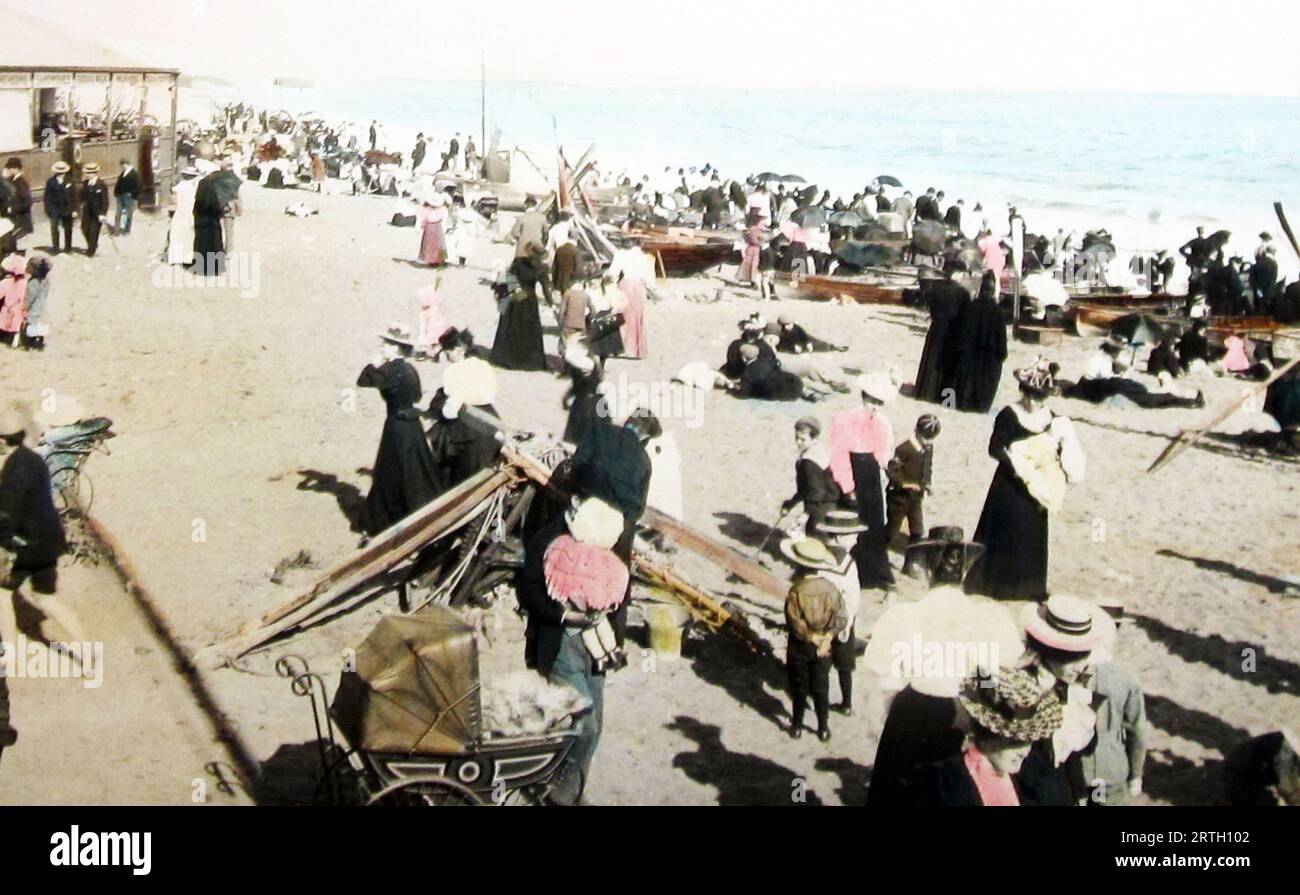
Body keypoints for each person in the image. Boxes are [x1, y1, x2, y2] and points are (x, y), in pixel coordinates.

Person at [517, 494, 626, 804]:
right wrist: (567, 614)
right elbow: (529, 593)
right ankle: (558, 792)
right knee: (584, 724)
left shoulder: (600, 530)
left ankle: (574, 790)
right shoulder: (547, 540)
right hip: (560, 644)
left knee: (596, 724)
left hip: (592, 647)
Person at [965, 361, 1084, 601]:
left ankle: (1027, 587)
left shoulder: (1052, 420)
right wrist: (1018, 467)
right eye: (1028, 395)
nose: (1032, 402)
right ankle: (995, 585)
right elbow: (994, 448)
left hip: (1037, 488)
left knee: (1030, 536)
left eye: (1038, 397)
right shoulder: (1009, 414)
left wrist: (1048, 472)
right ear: (1022, 390)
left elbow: (1061, 453)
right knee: (1005, 531)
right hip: (1008, 484)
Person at [1016, 595, 1120, 805]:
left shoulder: (1076, 691)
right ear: (1051, 652)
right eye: (1073, 658)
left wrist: (1083, 797)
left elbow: (1078, 755)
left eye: (1084, 656)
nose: (1080, 666)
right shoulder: (1022, 687)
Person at [0, 402, 86, 655]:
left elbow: (7, 517)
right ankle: (87, 650)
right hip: (50, 542)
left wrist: (4, 546)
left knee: (2, 595)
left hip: (26, 546)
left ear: (2, 441)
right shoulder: (34, 459)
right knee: (46, 598)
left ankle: (11, 651)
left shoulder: (13, 471)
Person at [917, 667, 1064, 806]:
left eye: (1030, 740)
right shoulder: (942, 782)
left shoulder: (1035, 772)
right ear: (987, 734)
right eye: (1015, 742)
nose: (1025, 752)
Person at [355, 340, 442, 536]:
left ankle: (390, 520)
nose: (382, 347)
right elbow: (417, 397)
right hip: (413, 425)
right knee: (416, 470)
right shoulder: (410, 369)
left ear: (395, 348)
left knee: (391, 472)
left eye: (386, 345)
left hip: (396, 425)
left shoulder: (390, 370)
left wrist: (375, 364)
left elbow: (363, 380)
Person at [828, 372, 898, 590]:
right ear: (863, 397)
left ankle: (873, 573)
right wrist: (848, 486)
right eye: (872, 401)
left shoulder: (882, 422)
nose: (875, 407)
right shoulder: (845, 419)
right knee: (850, 523)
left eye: (879, 403)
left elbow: (883, 452)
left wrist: (890, 468)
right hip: (851, 469)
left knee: (874, 523)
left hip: (870, 474)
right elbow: (838, 454)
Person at [779, 537, 848, 742]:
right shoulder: (831, 588)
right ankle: (823, 728)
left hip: (800, 646)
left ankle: (797, 726)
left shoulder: (796, 590)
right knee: (821, 687)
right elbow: (841, 617)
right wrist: (827, 637)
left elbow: (794, 621)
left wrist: (812, 637)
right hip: (824, 648)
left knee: (799, 686)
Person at [812, 510, 868, 716]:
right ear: (839, 536)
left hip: (820, 619)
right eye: (852, 535)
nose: (856, 538)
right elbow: (853, 596)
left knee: (822, 663)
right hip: (843, 619)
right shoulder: (848, 563)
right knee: (845, 665)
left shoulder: (816, 556)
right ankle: (846, 703)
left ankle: (821, 704)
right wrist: (849, 620)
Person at [425, 354, 501, 491]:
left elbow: (442, 413)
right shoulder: (490, 411)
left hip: (468, 454)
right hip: (485, 457)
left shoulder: (453, 404)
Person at [1062, 338, 1204, 409]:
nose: (1118, 354)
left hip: (1100, 385)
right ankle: (1183, 400)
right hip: (1098, 386)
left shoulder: (1104, 359)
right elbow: (1104, 379)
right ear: (1111, 350)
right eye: (1117, 351)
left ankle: (1182, 399)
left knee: (1138, 389)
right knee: (1142, 396)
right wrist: (1121, 376)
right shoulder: (1100, 360)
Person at [885, 414, 940, 577]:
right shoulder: (904, 449)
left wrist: (927, 483)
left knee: (917, 531)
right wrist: (904, 483)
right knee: (891, 531)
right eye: (925, 438)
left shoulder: (928, 447)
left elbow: (927, 467)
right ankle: (878, 555)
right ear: (916, 431)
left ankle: (910, 564)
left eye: (931, 439)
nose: (928, 442)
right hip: (899, 498)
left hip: (916, 498)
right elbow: (892, 469)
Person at [946, 271, 1008, 413]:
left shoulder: (971, 306)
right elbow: (1001, 339)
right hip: (988, 357)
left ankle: (956, 402)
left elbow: (962, 330)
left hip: (968, 353)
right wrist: (1001, 354)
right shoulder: (997, 312)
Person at [914, 267, 971, 404]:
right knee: (948, 366)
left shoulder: (935, 287)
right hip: (953, 330)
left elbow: (928, 304)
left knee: (931, 361)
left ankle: (925, 393)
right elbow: (966, 314)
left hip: (936, 327)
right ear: (957, 273)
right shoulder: (962, 292)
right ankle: (946, 398)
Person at [781, 417, 842, 535]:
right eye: (796, 438)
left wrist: (806, 514)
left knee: (816, 538)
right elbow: (805, 489)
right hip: (826, 502)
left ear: (815, 439)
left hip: (822, 505)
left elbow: (816, 491)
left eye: (802, 439)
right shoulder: (817, 451)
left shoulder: (809, 462)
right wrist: (790, 504)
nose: (798, 442)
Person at [490, 250, 548, 371]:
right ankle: (525, 360)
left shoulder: (520, 263)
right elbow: (545, 288)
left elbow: (508, 277)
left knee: (514, 329)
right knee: (526, 331)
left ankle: (510, 358)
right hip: (525, 300)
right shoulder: (539, 268)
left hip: (518, 299)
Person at [1222, 728, 1300, 806]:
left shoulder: (1287, 744)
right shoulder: (1286, 757)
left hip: (1243, 770)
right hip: (1239, 777)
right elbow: (1289, 790)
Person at [561, 339, 604, 446]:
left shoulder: (587, 364)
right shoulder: (586, 365)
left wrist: (567, 397)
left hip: (588, 404)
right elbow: (577, 385)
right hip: (584, 401)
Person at [191, 168, 227, 275]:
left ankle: (201, 267)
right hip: (212, 221)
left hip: (200, 219)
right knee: (214, 244)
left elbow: (197, 202)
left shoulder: (202, 184)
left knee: (201, 243)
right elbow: (216, 205)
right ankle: (215, 268)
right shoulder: (216, 187)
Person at [166, 167, 199, 266]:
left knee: (177, 236)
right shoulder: (192, 189)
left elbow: (172, 203)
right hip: (189, 214)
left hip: (179, 214)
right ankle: (187, 258)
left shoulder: (177, 188)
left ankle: (175, 258)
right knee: (188, 236)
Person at [20, 254, 52, 351]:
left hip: (33, 310)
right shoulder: (46, 281)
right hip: (42, 307)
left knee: (31, 327)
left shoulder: (33, 283)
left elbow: (29, 298)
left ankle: (30, 343)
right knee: (40, 327)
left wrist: (24, 308)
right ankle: (40, 343)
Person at [79, 163, 110, 257]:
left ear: (95, 173)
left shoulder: (102, 185)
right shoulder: (85, 183)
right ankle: (92, 245)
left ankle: (91, 251)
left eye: (89, 173)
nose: (87, 174)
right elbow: (81, 196)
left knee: (94, 231)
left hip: (98, 212)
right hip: (87, 211)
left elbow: (105, 201)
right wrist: (80, 204)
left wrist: (103, 213)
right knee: (84, 229)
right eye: (87, 173)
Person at [44, 161, 75, 254]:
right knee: (54, 228)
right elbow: (47, 197)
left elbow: (74, 196)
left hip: (67, 208)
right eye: (59, 171)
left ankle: (68, 248)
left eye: (62, 171)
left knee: (68, 229)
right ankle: (56, 248)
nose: (61, 173)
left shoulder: (70, 180)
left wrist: (74, 209)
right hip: (55, 209)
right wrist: (49, 209)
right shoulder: (50, 181)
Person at [0, 254, 28, 349]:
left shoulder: (5, 282)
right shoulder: (25, 283)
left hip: (8, 308)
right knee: (17, 325)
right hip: (19, 308)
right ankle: (16, 339)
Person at [3, 159, 33, 243]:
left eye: (10, 168)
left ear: (15, 169)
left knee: (19, 248)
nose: (8, 170)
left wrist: (12, 209)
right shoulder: (12, 180)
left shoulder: (21, 182)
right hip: (14, 220)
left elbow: (27, 202)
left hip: (21, 220)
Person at [550, 210, 579, 295]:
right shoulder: (571, 228)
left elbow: (549, 244)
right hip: (570, 279)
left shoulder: (555, 228)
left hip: (559, 254)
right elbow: (578, 268)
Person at [416, 192, 448, 267]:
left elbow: (444, 219)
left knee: (437, 244)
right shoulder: (425, 209)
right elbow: (420, 218)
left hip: (436, 226)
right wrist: (418, 226)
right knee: (430, 244)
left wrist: (444, 227)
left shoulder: (441, 209)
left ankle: (438, 259)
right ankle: (432, 260)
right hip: (430, 226)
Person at [113, 158, 141, 235]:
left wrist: (131, 194)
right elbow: (118, 183)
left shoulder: (135, 174)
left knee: (128, 214)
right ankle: (117, 230)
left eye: (122, 165)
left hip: (129, 197)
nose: (122, 167)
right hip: (120, 196)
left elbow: (138, 187)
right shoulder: (123, 173)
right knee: (118, 213)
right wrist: (116, 192)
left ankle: (127, 230)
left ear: (126, 164)